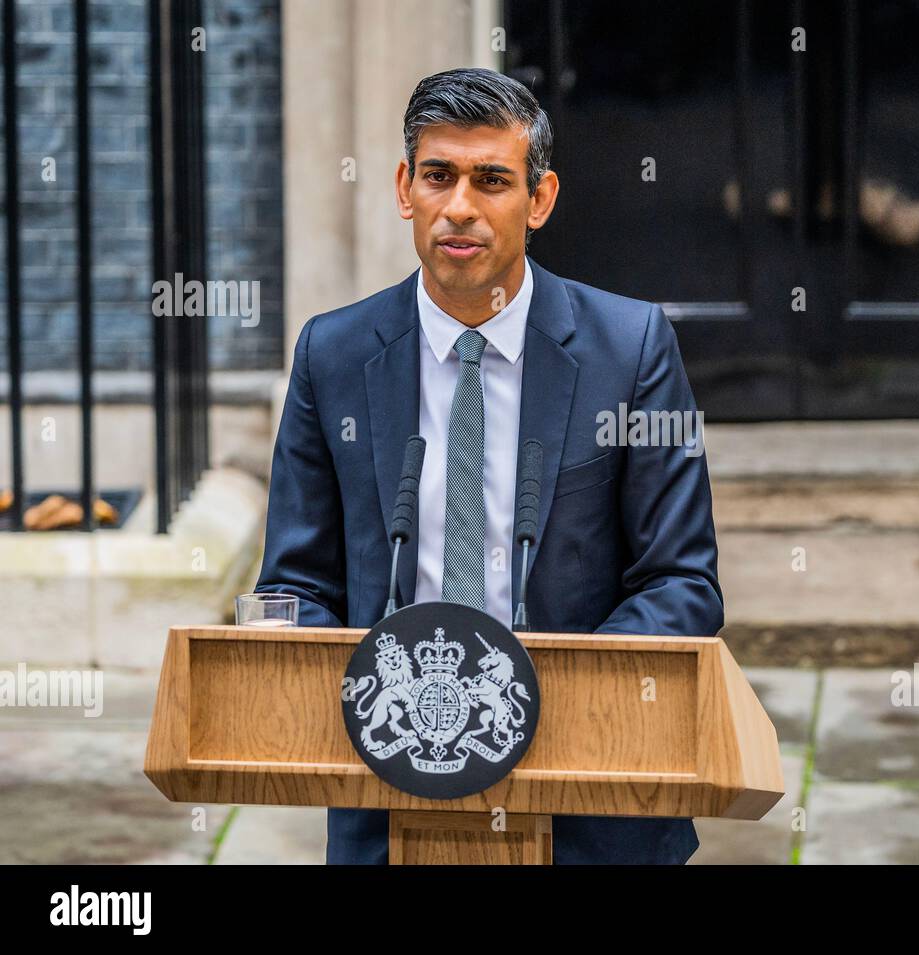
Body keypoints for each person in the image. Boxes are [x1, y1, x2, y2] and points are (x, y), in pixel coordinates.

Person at [255, 67, 723, 864]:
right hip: (391, 796)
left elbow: (683, 585)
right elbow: (295, 587)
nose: (460, 207)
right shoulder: (330, 356)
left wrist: (532, 699)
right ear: (406, 188)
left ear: (539, 200)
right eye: (438, 176)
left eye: (492, 180)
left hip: (590, 801)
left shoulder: (635, 348)